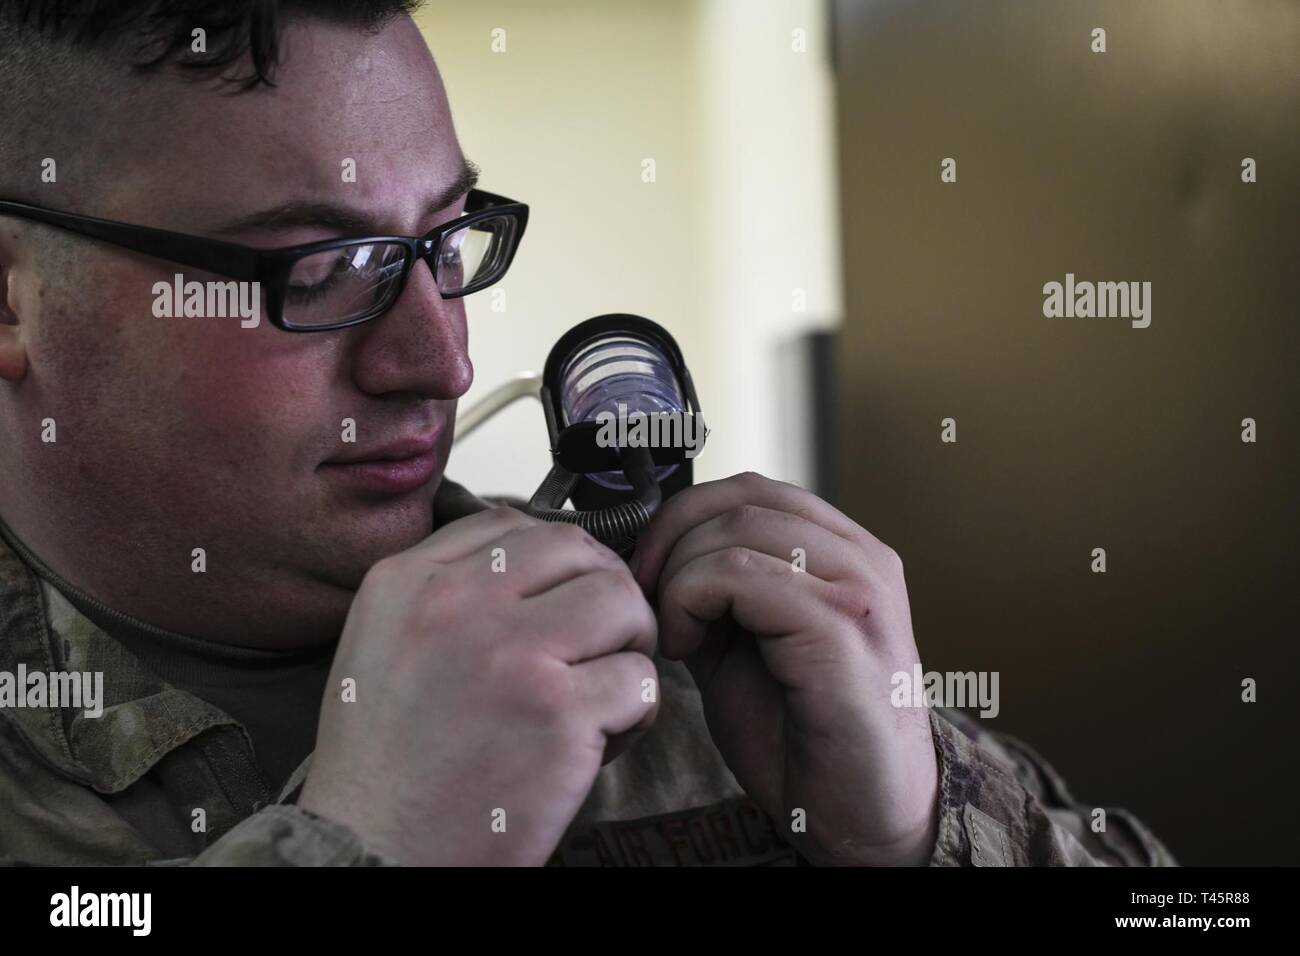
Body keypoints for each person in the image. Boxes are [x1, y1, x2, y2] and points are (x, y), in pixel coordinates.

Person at [0, 0, 1174, 867]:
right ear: (15, 297)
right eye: (323, 263)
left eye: (444, 246)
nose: (439, 360)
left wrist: (922, 837)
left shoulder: (697, 659)